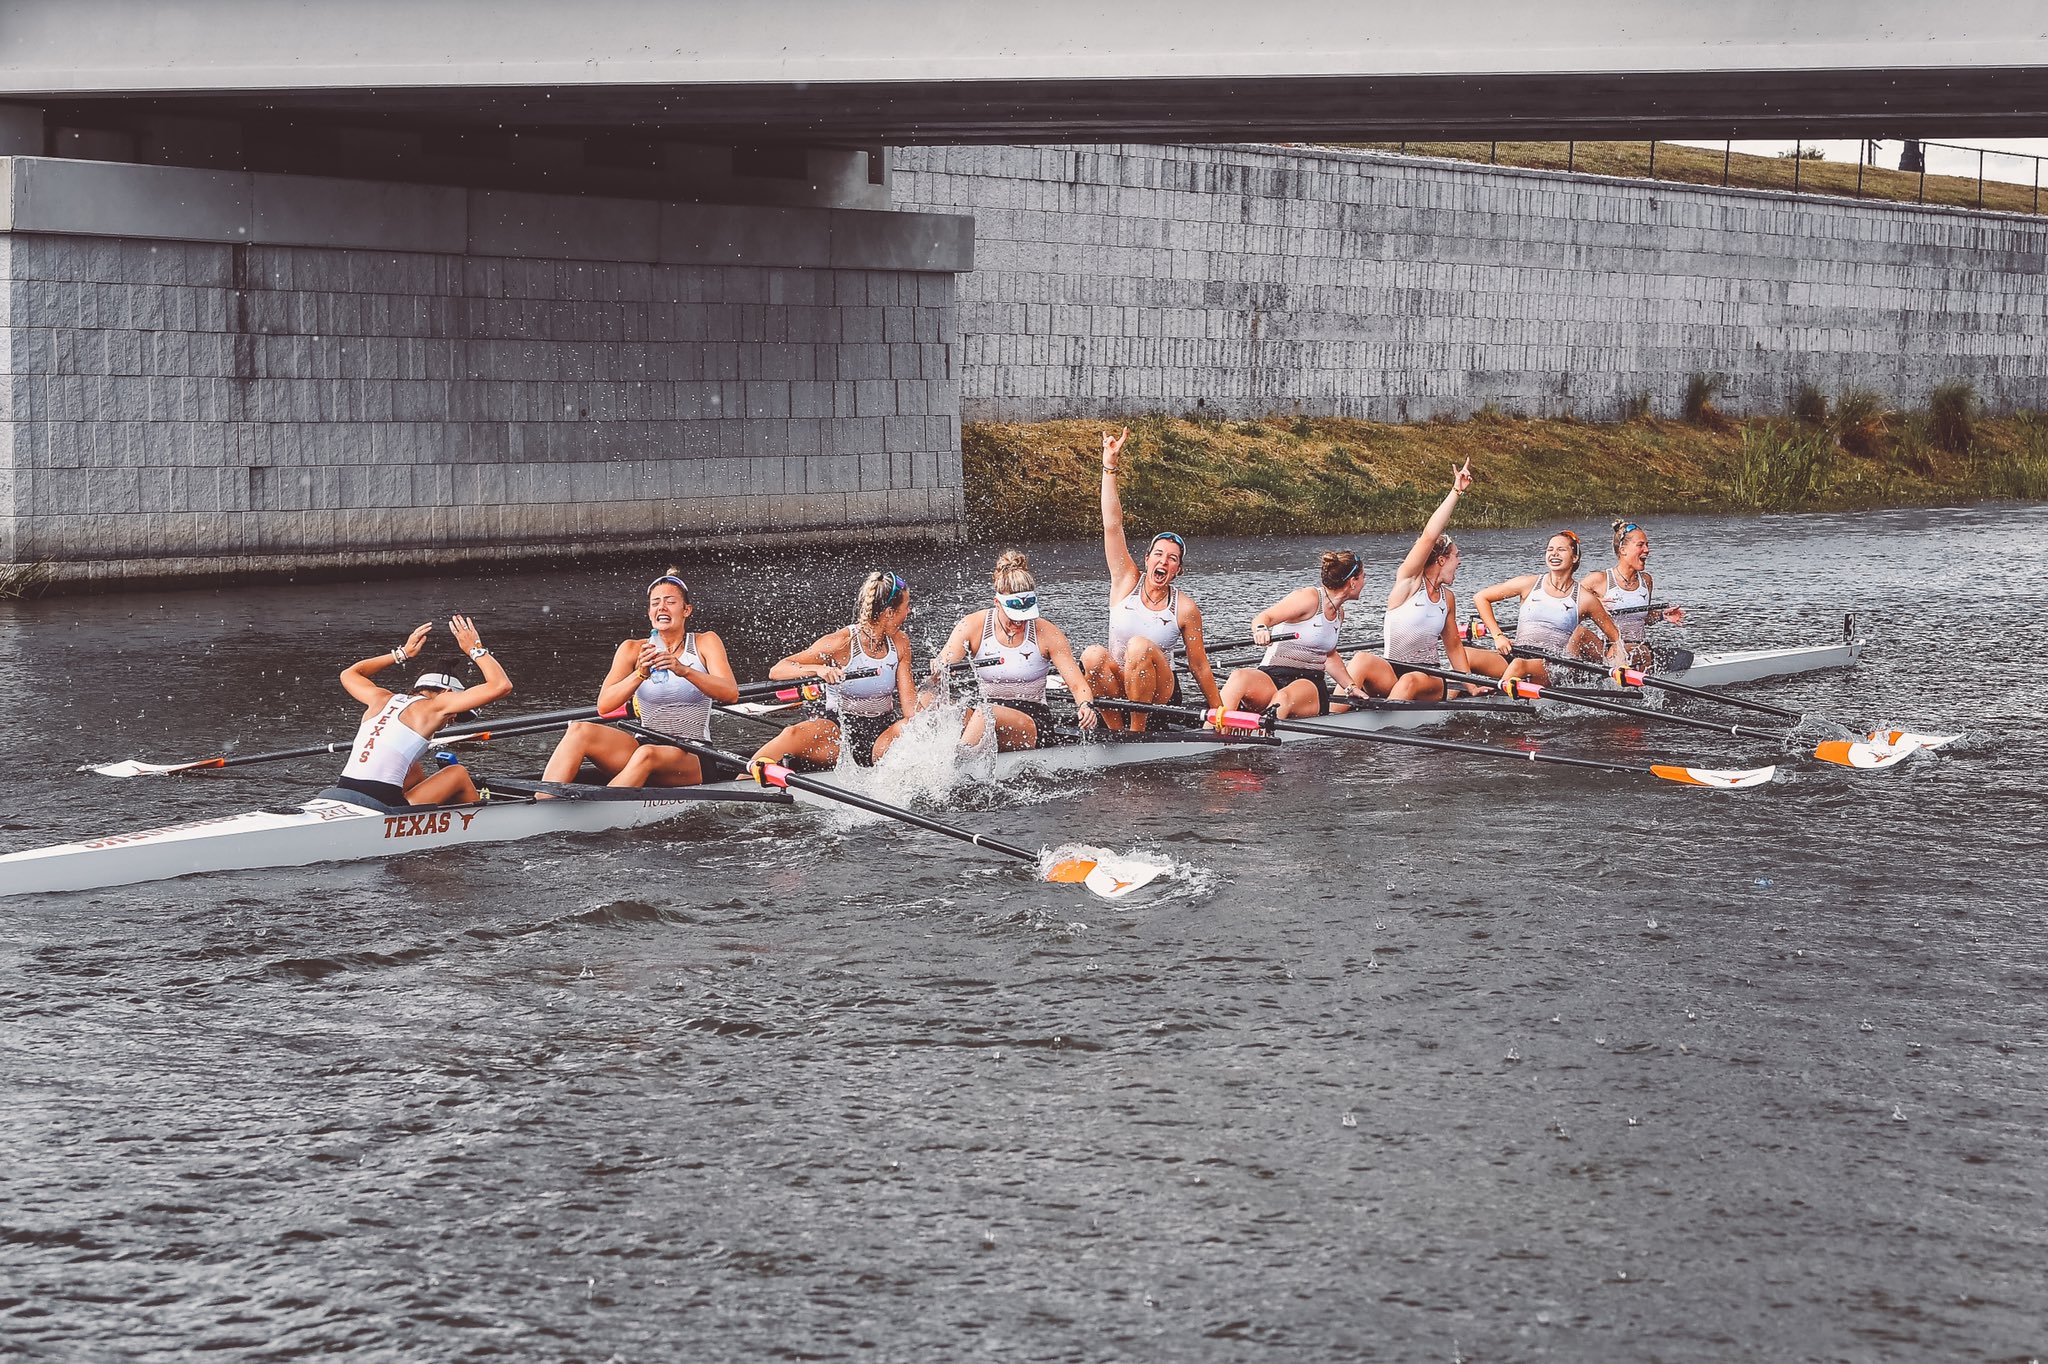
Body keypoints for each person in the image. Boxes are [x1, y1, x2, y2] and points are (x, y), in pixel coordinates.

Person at [1080, 427, 1223, 731]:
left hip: (1162, 696)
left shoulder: (1184, 609)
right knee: (1092, 655)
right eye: (1158, 554)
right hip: (1120, 690)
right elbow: (1112, 526)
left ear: (1177, 571)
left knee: (1139, 646)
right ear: (1146, 560)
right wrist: (1109, 466)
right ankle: (1116, 730)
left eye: (1172, 558)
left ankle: (1137, 732)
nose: (1164, 561)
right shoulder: (1125, 580)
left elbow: (1198, 665)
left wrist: (1219, 712)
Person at [541, 571, 738, 788]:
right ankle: (543, 802)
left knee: (647, 755)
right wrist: (640, 674)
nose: (662, 607)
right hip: (643, 743)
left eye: (670, 602)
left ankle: (601, 814)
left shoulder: (704, 642)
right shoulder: (632, 649)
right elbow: (604, 706)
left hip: (693, 754)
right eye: (655, 603)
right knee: (579, 730)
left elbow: (730, 692)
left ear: (686, 610)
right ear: (649, 612)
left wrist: (684, 670)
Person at [1345, 460, 1503, 701]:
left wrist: (1471, 686)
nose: (1459, 563)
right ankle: (1331, 716)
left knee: (1410, 680)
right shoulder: (1409, 583)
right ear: (1440, 560)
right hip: (1392, 672)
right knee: (1361, 659)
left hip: (1429, 678)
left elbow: (1453, 646)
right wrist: (1456, 492)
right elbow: (1429, 535)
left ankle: (1385, 731)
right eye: (1456, 557)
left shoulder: (1447, 599)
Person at [332, 614, 511, 807]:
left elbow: (349, 674)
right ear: (447, 693)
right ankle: (480, 823)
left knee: (413, 768)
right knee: (457, 773)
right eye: (457, 712)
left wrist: (401, 653)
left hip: (343, 791)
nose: (452, 720)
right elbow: (501, 685)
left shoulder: (380, 698)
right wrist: (474, 649)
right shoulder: (436, 705)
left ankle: (438, 810)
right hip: (380, 798)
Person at [930, 550, 1101, 750]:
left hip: (1032, 721)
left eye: (1024, 617)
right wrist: (938, 669)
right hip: (986, 711)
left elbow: (1078, 686)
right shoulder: (972, 625)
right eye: (1013, 618)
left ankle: (956, 768)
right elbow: (942, 662)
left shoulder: (1048, 633)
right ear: (997, 604)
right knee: (933, 703)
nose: (1019, 624)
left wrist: (1085, 706)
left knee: (987, 713)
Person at [750, 570, 920, 770]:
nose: (909, 612)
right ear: (890, 613)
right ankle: (740, 781)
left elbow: (910, 709)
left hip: (882, 734)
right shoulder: (841, 643)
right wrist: (818, 669)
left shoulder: (900, 643)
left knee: (914, 726)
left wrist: (935, 687)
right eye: (906, 607)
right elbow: (778, 670)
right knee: (791, 735)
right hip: (838, 733)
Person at [1218, 550, 1369, 719]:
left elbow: (1330, 656)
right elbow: (1263, 618)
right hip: (1272, 676)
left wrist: (1350, 687)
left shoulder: (1339, 614)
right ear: (1352, 581)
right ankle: (1211, 732)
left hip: (1309, 685)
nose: (1365, 581)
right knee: (1239, 677)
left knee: (1284, 697)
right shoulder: (1308, 598)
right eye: (1363, 576)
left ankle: (1264, 734)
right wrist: (1261, 629)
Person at [1470, 531, 1625, 686]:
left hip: (1552, 664)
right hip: (1516, 652)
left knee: (1518, 665)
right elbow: (1481, 597)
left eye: (1561, 550)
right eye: (1550, 549)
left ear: (1574, 557)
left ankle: (1499, 696)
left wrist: (1616, 669)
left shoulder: (1585, 599)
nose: (1554, 554)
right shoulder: (1529, 584)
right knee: (1465, 654)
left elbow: (1615, 638)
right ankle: (1461, 693)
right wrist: (1498, 636)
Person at [1569, 520, 1689, 669]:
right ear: (1623, 550)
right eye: (1640, 545)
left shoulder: (1646, 580)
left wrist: (1662, 615)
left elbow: (1644, 617)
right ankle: (1568, 677)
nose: (1647, 550)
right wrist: (1592, 604)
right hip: (1605, 649)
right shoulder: (1599, 580)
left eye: (1647, 545)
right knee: (1578, 633)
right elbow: (1566, 600)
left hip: (1637, 650)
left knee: (1630, 650)